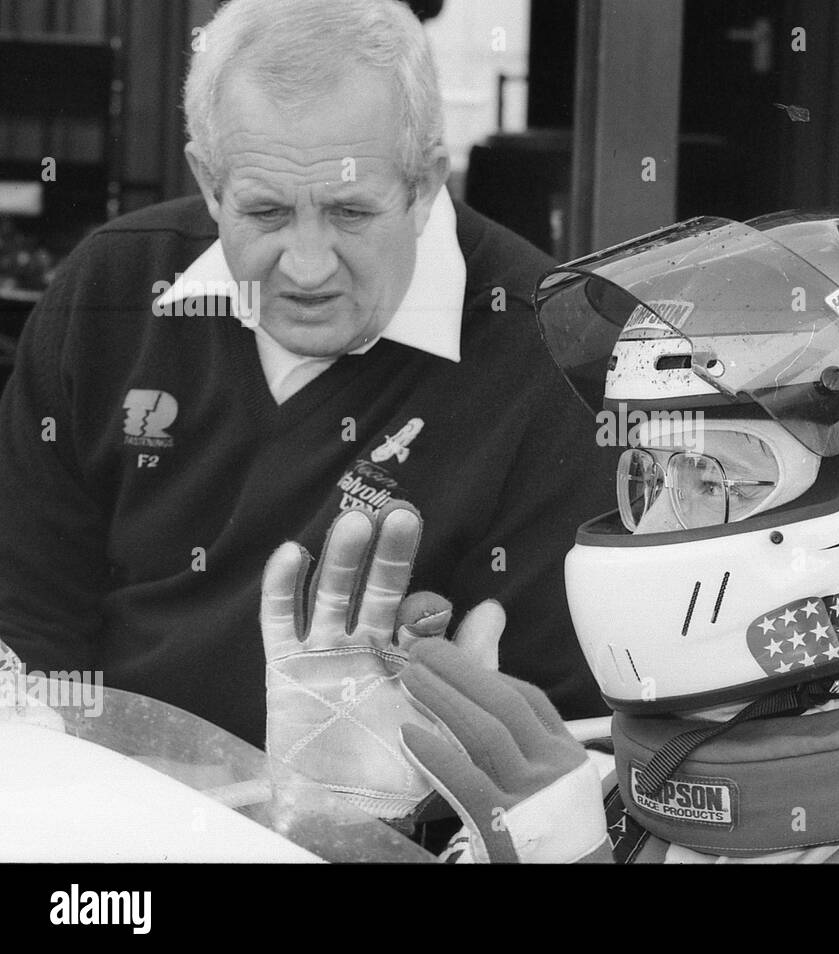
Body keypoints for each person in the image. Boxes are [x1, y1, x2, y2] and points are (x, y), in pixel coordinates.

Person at [263, 208, 839, 863]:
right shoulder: (596, 804)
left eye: (721, 475)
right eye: (649, 476)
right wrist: (356, 827)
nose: (663, 518)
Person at [0, 0, 614, 746]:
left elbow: (563, 730)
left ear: (424, 186)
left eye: (350, 212)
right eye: (264, 212)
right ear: (209, 179)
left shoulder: (552, 357)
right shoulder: (112, 290)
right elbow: (27, 619)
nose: (308, 265)